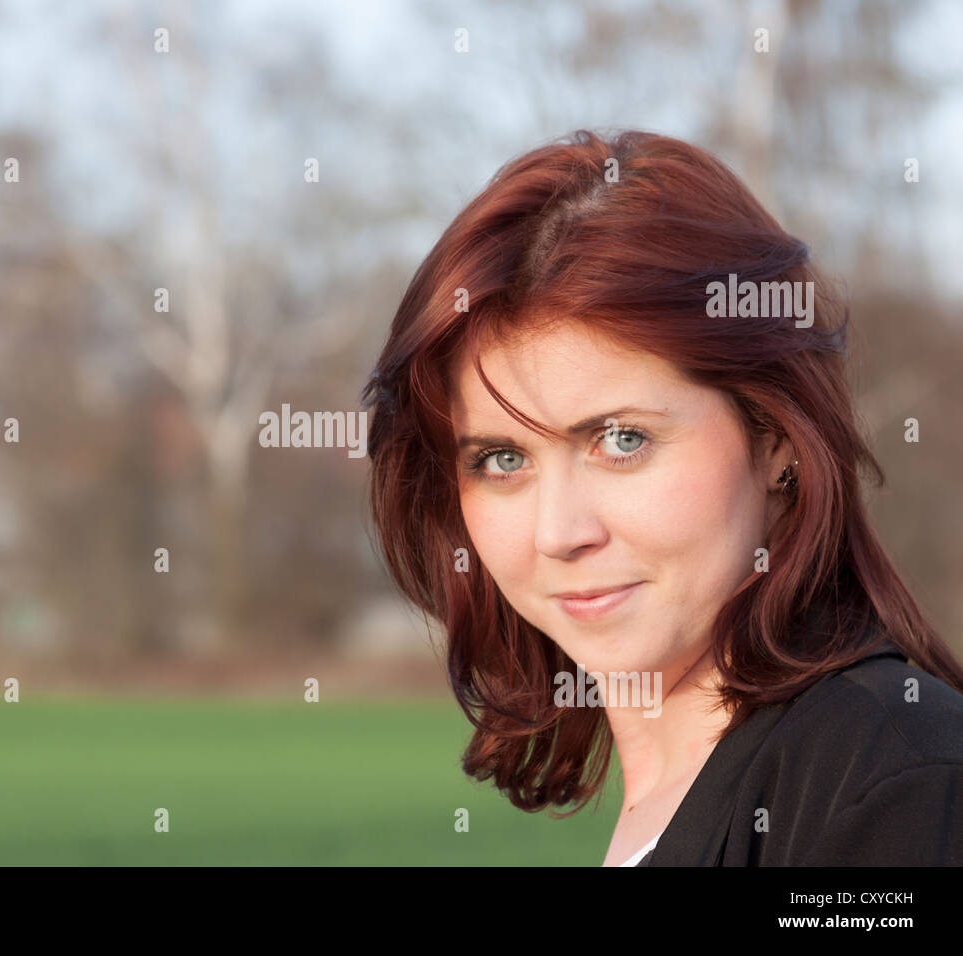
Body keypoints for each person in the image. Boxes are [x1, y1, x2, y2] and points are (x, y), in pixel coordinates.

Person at [360, 129, 963, 866]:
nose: (559, 533)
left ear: (775, 438)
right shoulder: (685, 798)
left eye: (622, 441)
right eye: (503, 457)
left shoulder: (899, 787)